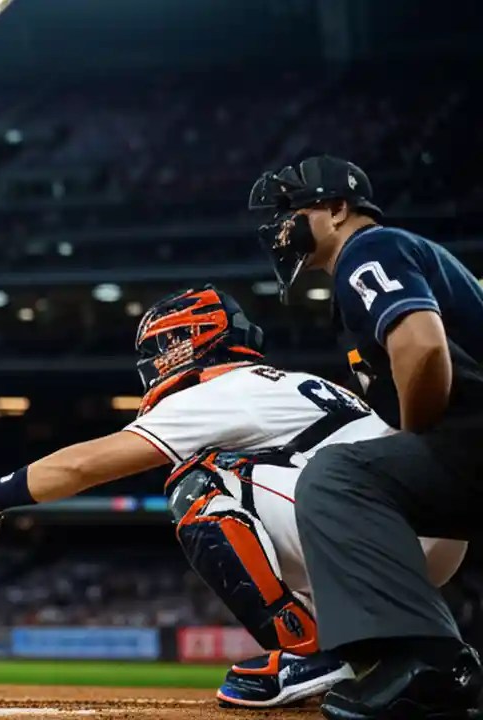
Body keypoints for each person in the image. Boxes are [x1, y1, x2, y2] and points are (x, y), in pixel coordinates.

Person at [0, 285, 466, 709]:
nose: (151, 364)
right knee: (255, 478)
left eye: (156, 349)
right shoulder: (296, 381)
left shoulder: (216, 390)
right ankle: (393, 647)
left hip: (372, 532)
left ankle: (311, 650)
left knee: (197, 480)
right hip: (425, 535)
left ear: (186, 341)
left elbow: (82, 466)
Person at [248, 155, 483, 719]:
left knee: (338, 476)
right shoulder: (382, 258)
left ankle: (426, 664)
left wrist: (418, 435)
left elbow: (423, 347)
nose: (281, 227)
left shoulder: (368, 249)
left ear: (336, 209)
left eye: (291, 209)